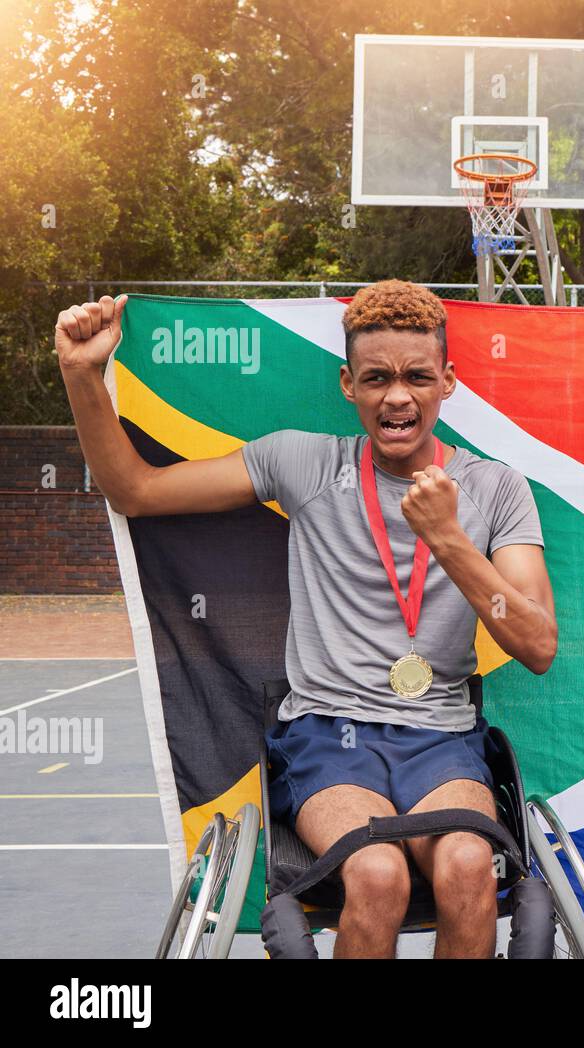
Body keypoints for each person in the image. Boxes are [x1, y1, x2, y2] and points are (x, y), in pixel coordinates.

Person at [55, 279, 557, 958]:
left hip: (441, 738)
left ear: (448, 382)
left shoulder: (497, 487)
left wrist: (450, 541)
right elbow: (135, 492)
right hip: (329, 734)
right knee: (376, 875)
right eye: (377, 378)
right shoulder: (301, 460)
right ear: (349, 385)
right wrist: (83, 374)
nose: (397, 396)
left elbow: (536, 643)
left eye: (416, 377)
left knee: (469, 868)